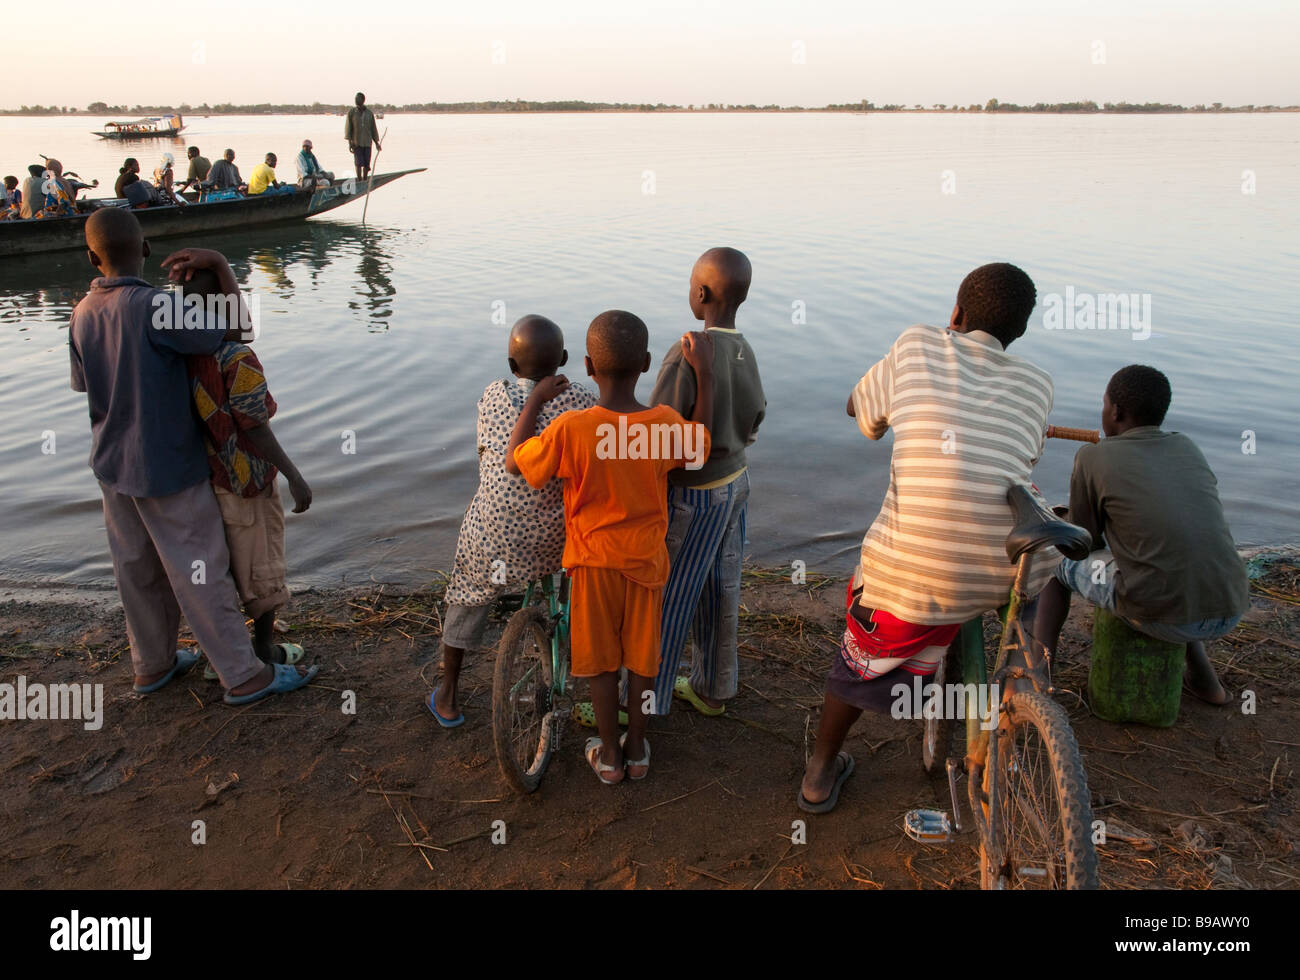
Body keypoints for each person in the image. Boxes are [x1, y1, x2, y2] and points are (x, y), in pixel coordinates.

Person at [798, 262, 1057, 813]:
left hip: (912, 575)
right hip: (1009, 567)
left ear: (955, 315)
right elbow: (1022, 459)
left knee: (860, 650)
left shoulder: (916, 345)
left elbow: (859, 411)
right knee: (1037, 568)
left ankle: (820, 771)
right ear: (1019, 334)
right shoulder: (1039, 384)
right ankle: (1025, 682)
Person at [67, 208, 316, 704]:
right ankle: (245, 675)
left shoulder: (80, 313)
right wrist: (222, 266)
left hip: (110, 466)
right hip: (166, 468)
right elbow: (235, 333)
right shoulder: (156, 308)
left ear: (92, 258)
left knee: (137, 572)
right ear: (145, 250)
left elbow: (83, 384)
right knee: (200, 570)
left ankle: (152, 666)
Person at [508, 311, 714, 784]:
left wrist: (536, 401)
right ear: (645, 363)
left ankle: (609, 758)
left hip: (593, 564)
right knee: (642, 660)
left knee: (600, 663)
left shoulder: (572, 429)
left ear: (585, 364)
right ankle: (637, 749)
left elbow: (519, 462)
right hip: (645, 563)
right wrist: (704, 372)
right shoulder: (662, 425)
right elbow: (702, 446)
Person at [1031, 364, 1248, 707]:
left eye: (1104, 404)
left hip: (1161, 616)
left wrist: (1061, 520)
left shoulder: (1093, 456)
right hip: (1230, 606)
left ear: (1115, 411)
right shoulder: (1186, 447)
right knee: (1172, 563)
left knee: (1054, 561)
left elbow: (1080, 545)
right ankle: (1207, 682)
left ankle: (1038, 677)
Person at [429, 315, 596, 726]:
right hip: (556, 541)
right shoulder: (581, 402)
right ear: (566, 359)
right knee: (574, 565)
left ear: (510, 364)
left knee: (468, 590)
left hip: (496, 537)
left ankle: (448, 694)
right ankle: (568, 649)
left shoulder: (490, 396)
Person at [181, 267, 314, 678]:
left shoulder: (184, 354)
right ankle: (263, 649)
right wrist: (293, 474)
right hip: (246, 478)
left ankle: (225, 648)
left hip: (206, 475)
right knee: (260, 568)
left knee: (222, 567)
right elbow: (254, 425)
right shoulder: (237, 358)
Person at [344, 92, 381, 179]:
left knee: (366, 164)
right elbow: (348, 129)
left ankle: (365, 179)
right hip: (356, 143)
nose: (356, 100)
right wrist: (350, 143)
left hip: (367, 142)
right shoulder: (352, 112)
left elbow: (373, 129)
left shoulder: (369, 113)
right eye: (355, 99)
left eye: (358, 99)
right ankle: (360, 180)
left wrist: (377, 143)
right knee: (358, 163)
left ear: (363, 100)